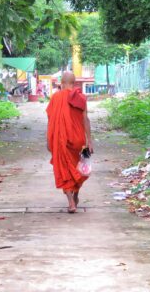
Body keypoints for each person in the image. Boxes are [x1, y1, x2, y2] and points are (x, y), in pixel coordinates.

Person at [46, 71, 94, 213]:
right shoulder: (80, 98)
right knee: (81, 167)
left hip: (61, 139)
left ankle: (71, 202)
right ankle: (76, 194)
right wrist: (89, 140)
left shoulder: (55, 98)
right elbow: (85, 119)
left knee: (64, 168)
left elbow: (50, 121)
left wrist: (48, 140)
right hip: (79, 140)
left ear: (61, 83)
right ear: (74, 83)